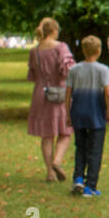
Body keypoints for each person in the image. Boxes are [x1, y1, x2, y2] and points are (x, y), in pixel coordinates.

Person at [64, 35, 109, 197]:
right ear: (99, 50)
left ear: (83, 50)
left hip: (78, 113)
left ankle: (78, 178)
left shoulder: (74, 69)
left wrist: (67, 113)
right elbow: (108, 93)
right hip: (96, 115)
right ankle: (90, 186)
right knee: (95, 150)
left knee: (80, 148)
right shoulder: (103, 70)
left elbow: (68, 94)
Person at [27, 17, 74, 182]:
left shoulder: (35, 51)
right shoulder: (61, 47)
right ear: (55, 31)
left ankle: (49, 172)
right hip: (59, 93)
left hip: (41, 93)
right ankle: (57, 161)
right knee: (66, 131)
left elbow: (31, 75)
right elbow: (67, 70)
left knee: (46, 135)